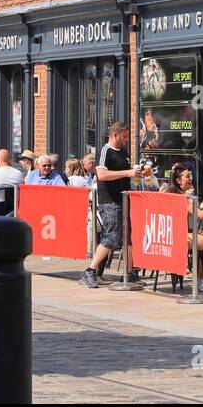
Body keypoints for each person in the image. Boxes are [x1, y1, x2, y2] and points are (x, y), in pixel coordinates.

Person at [82, 122, 140, 289]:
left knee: (128, 236)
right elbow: (101, 174)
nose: (126, 140)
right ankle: (90, 270)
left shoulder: (123, 152)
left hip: (124, 198)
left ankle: (129, 274)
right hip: (109, 201)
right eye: (124, 136)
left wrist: (136, 176)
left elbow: (125, 174)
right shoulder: (105, 151)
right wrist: (128, 172)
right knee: (112, 237)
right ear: (114, 135)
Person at [164, 164, 203, 290]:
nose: (190, 178)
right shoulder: (182, 198)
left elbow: (197, 211)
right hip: (179, 238)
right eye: (187, 176)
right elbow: (201, 215)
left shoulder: (169, 194)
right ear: (178, 180)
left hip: (167, 237)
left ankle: (199, 278)